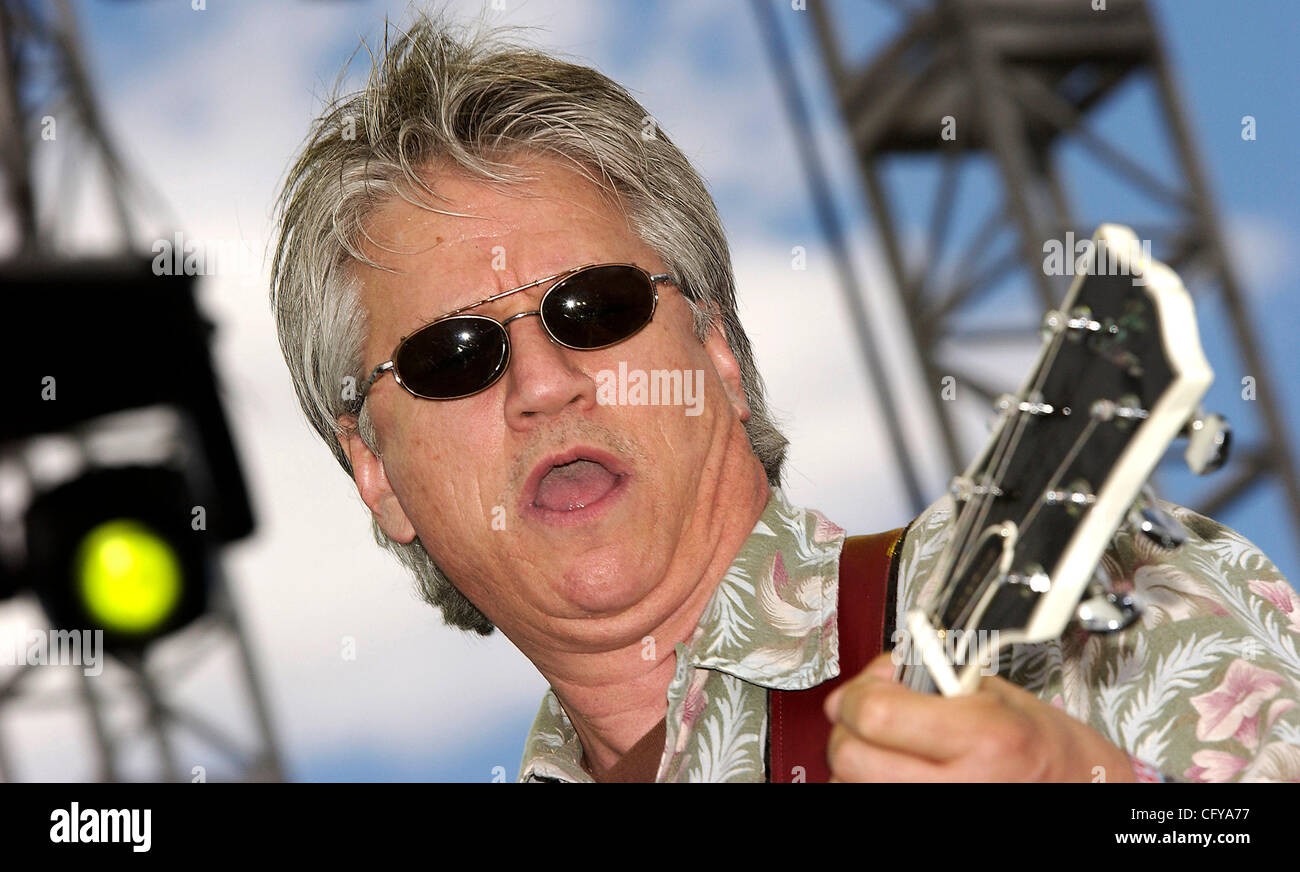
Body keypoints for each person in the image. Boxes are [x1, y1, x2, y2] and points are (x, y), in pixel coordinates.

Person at [268, 13, 1300, 782]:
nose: (543, 381)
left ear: (715, 349)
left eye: (595, 306)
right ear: (374, 469)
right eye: (454, 355)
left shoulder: (1077, 604)